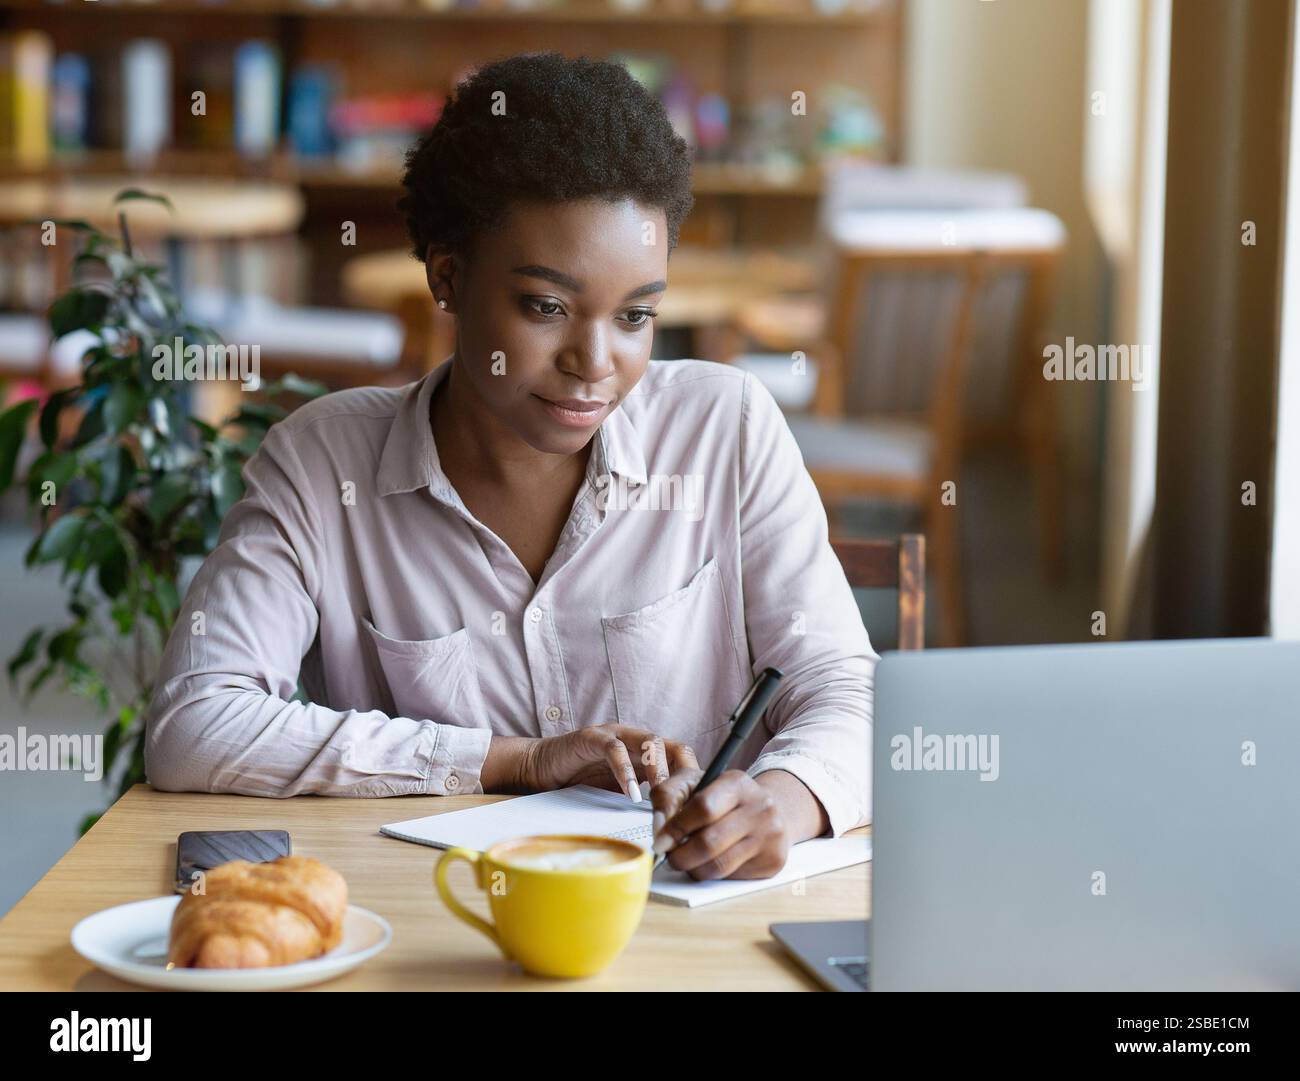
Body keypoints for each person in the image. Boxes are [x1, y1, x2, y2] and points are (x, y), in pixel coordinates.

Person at [145, 52, 876, 881]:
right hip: (438, 935)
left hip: (687, 932)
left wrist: (782, 799)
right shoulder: (322, 465)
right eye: (547, 307)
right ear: (449, 277)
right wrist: (515, 760)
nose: (594, 362)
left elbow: (845, 687)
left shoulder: (725, 430)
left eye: (636, 315)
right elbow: (195, 722)